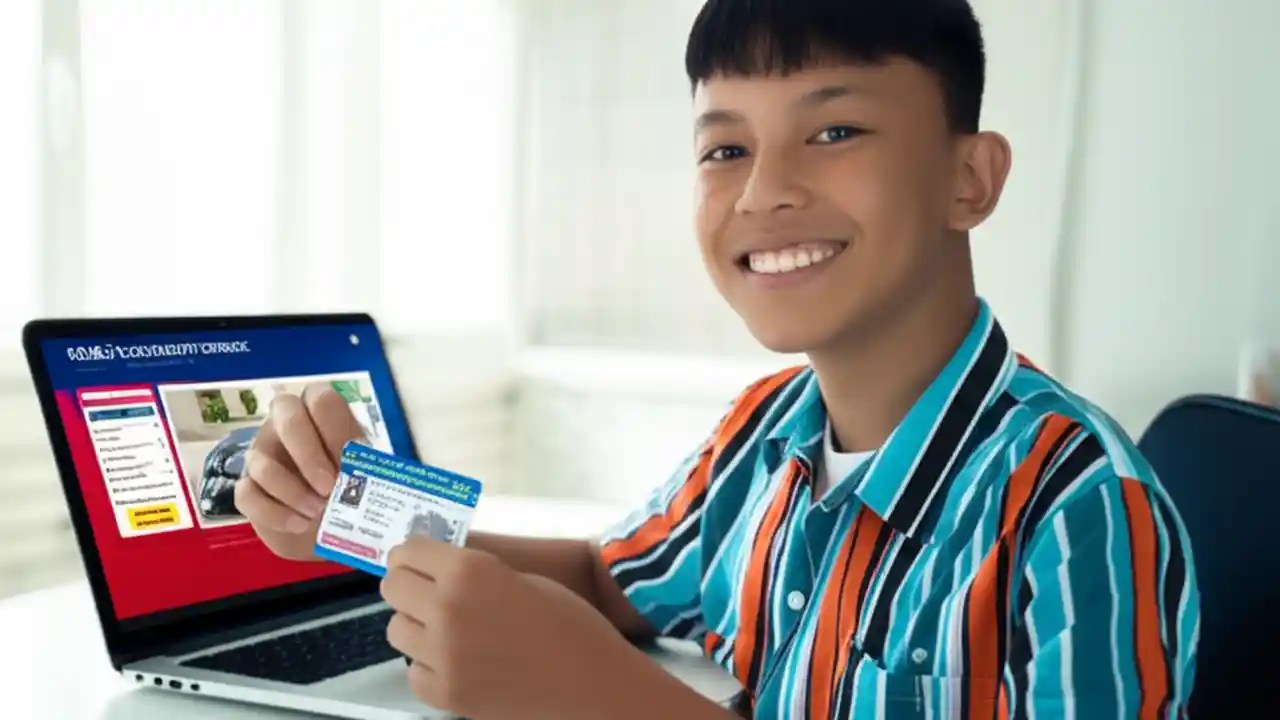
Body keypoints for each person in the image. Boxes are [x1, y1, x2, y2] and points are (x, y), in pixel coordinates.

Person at [235, 0, 1199, 717]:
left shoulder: (1081, 510)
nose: (763, 192)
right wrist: (358, 515)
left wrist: (608, 702)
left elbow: (600, 667)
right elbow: (608, 577)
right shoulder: (762, 431)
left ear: (970, 177)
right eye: (724, 149)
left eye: (834, 131)